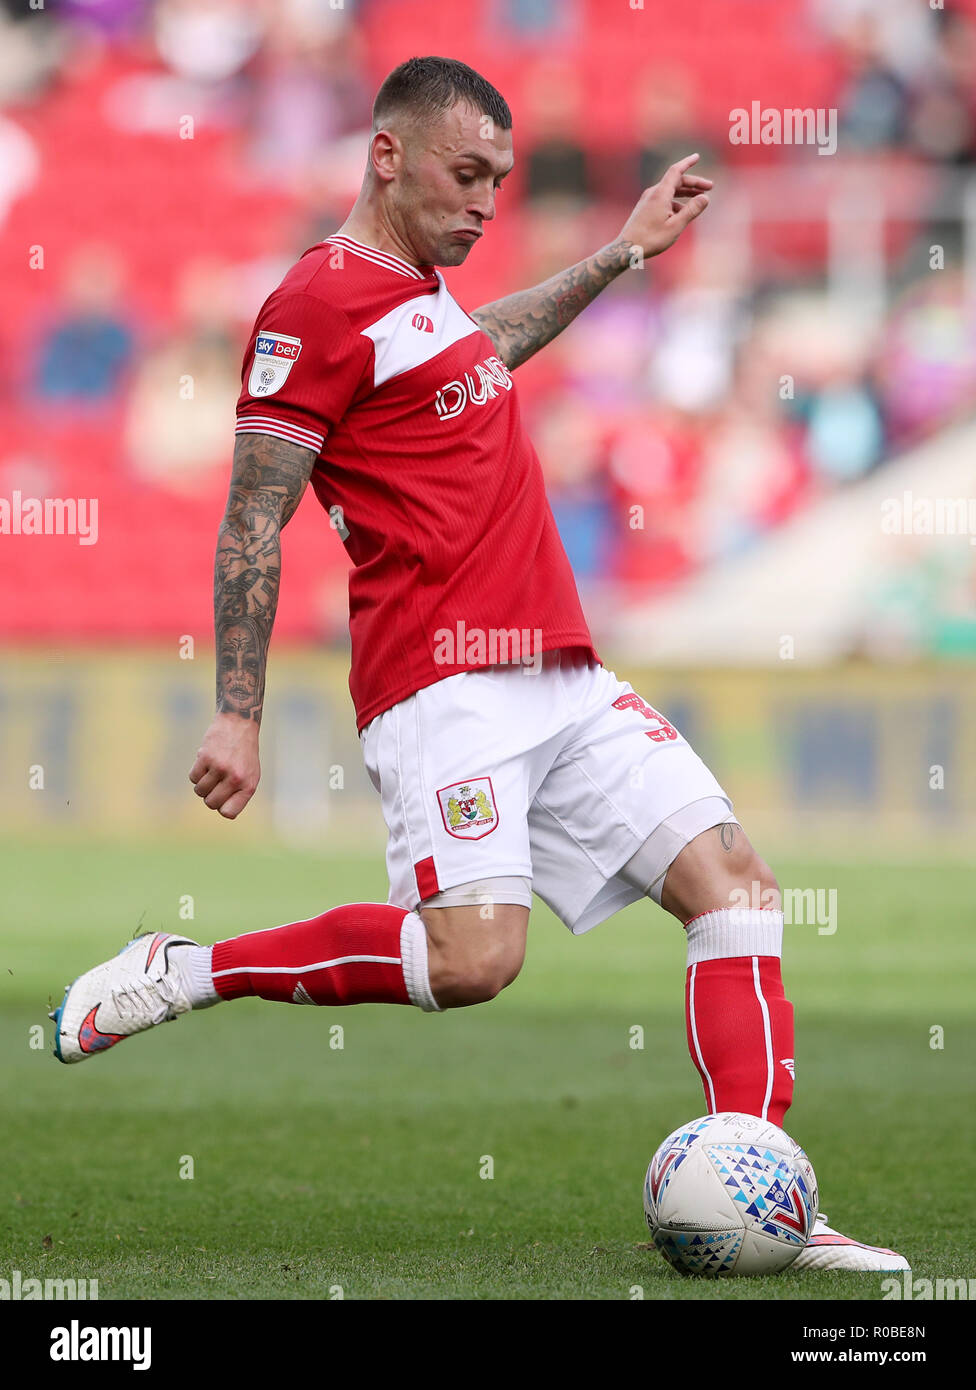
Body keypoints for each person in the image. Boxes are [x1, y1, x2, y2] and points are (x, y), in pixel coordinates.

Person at [51, 56, 907, 1275]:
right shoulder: (315, 304)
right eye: (465, 174)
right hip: (441, 681)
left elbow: (485, 350)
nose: (485, 201)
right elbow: (252, 516)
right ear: (386, 156)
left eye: (499, 179)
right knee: (472, 962)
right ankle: (190, 971)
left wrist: (618, 255)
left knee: (738, 890)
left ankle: (764, 1187)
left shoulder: (422, 300)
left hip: (559, 663)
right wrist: (235, 711)